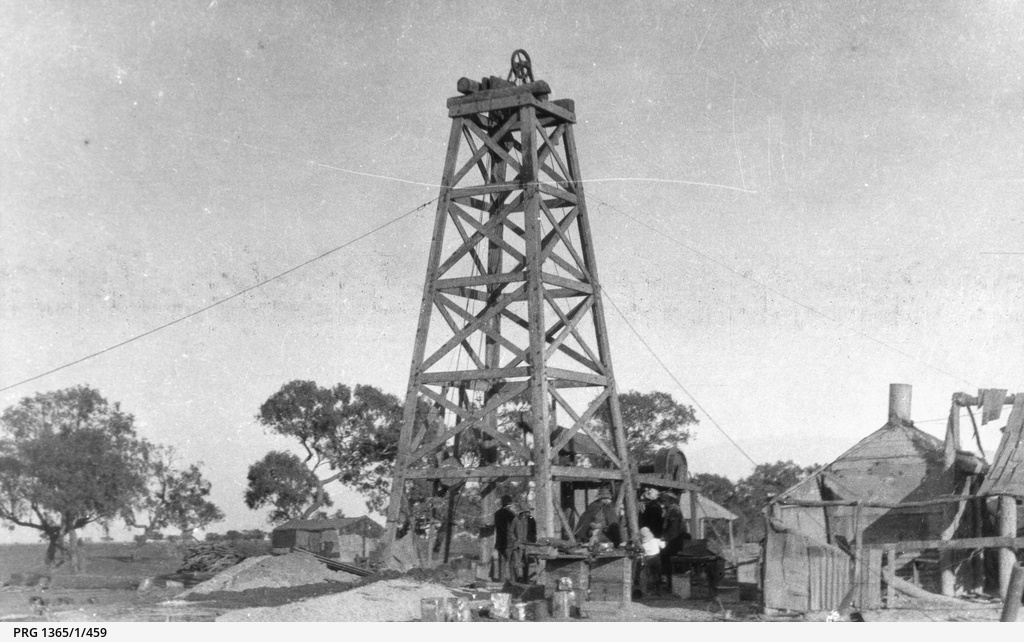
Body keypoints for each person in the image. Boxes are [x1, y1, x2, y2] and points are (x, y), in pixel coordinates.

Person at [658, 491, 691, 592]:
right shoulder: (672, 509)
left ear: (669, 501)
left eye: (664, 501)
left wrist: (665, 538)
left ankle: (672, 586)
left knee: (671, 563)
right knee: (670, 563)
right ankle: (671, 585)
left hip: (675, 541)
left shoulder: (674, 510)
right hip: (675, 541)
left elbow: (673, 528)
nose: (663, 504)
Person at [493, 495, 515, 581]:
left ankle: (501, 581)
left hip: (500, 541)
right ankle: (512, 582)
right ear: (509, 504)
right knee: (511, 562)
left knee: (502, 562)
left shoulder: (497, 514)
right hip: (509, 542)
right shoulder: (511, 514)